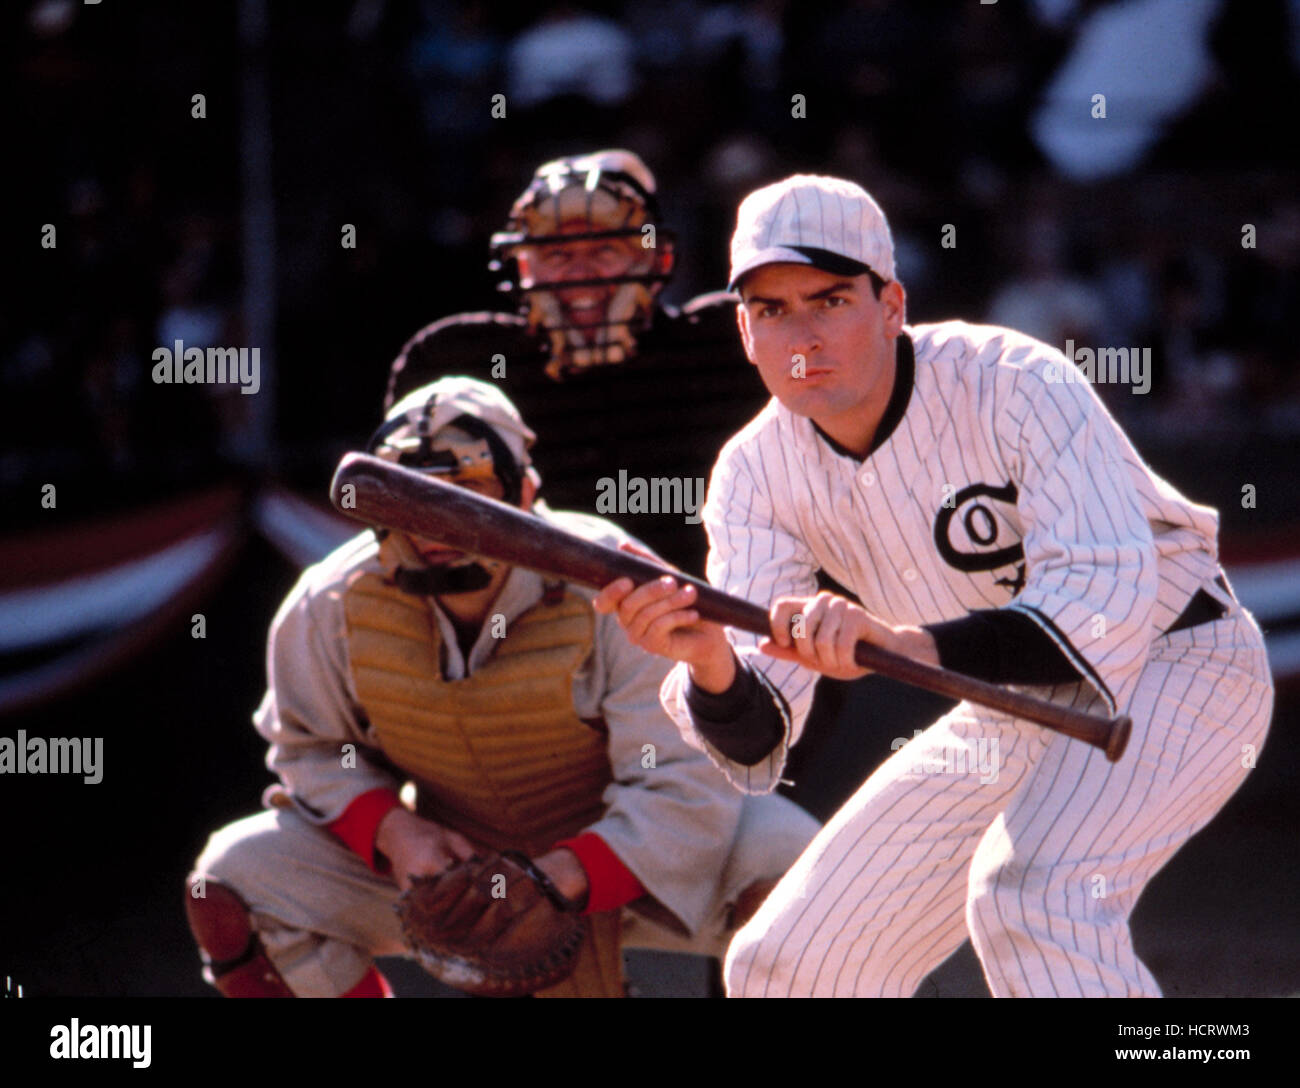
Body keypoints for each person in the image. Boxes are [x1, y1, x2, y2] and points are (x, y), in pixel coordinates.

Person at [595, 174, 1274, 998]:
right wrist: (709, 663)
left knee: (1034, 902)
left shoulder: (1013, 378)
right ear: (743, 331)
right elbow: (757, 740)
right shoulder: (752, 473)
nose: (801, 334)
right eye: (771, 309)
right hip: (1001, 701)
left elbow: (1105, 599)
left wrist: (911, 645)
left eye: (830, 298)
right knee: (786, 964)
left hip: (1182, 661)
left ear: (891, 305)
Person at [184, 376, 817, 998]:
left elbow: (683, 779)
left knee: (802, 879)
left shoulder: (619, 583)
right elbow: (309, 749)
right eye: (408, 499)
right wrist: (397, 835)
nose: (433, 527)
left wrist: (558, 877)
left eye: (466, 495)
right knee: (231, 882)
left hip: (633, 853)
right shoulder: (328, 602)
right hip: (452, 869)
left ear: (524, 493)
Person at [383, 148, 768, 573]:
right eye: (557, 254)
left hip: (712, 618)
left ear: (656, 259)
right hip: (533, 621)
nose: (579, 273)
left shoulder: (733, 345)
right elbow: (410, 523)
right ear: (522, 264)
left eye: (604, 251)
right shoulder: (456, 358)